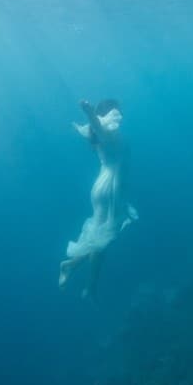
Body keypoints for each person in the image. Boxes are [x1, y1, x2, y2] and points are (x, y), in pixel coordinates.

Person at [59, 98, 138, 299]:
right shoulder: (108, 132)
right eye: (116, 111)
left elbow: (93, 128)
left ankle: (72, 266)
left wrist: (85, 121)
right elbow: (98, 126)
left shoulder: (96, 135)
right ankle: (89, 285)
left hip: (102, 188)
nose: (119, 114)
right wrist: (89, 112)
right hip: (112, 188)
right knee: (105, 237)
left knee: (100, 236)